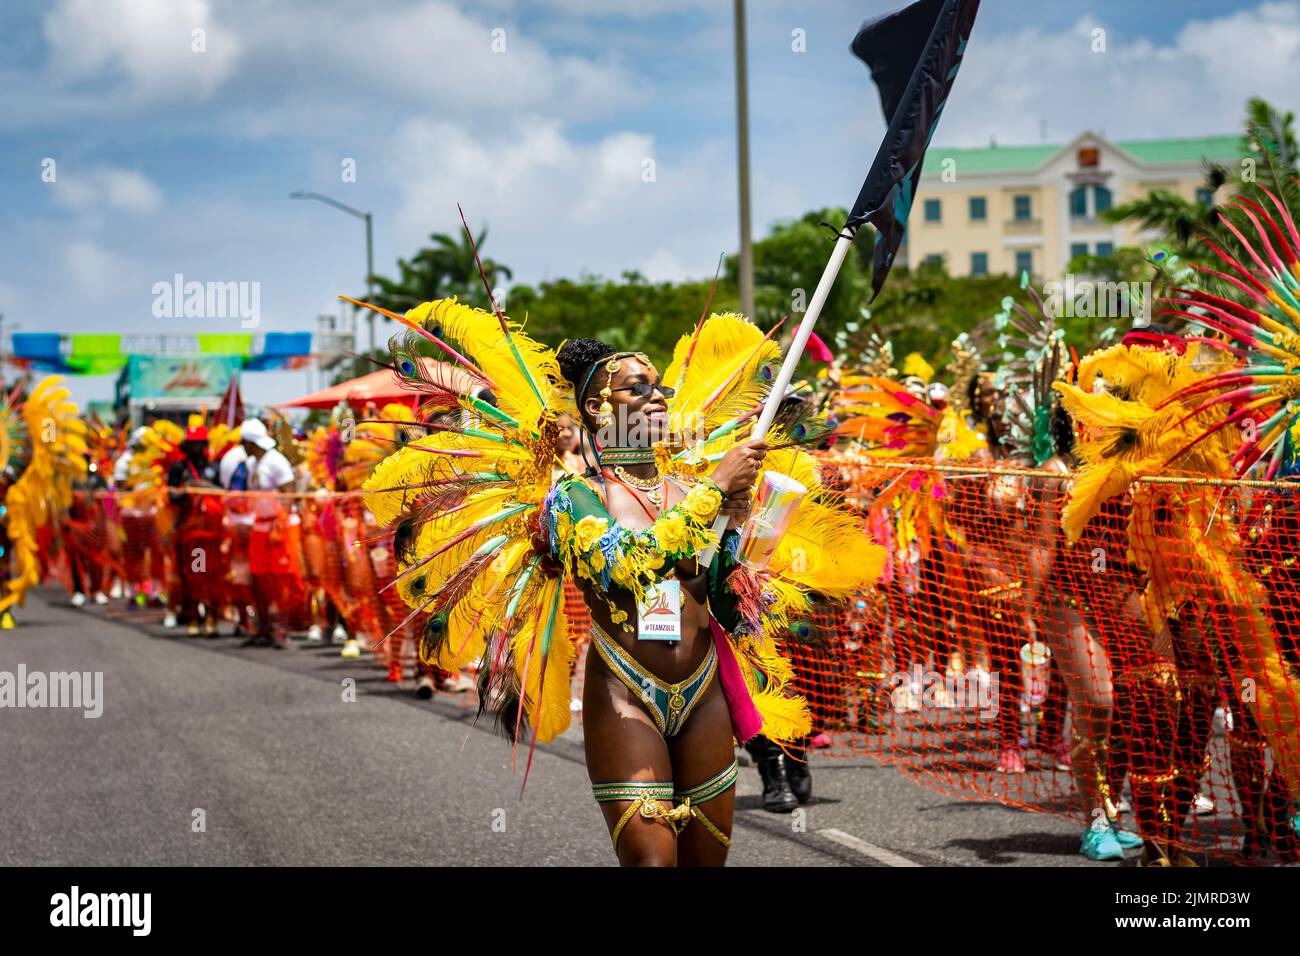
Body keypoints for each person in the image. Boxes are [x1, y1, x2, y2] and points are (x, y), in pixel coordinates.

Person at [361, 299, 882, 867]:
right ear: (596, 407)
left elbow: (724, 598)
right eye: (638, 389)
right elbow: (629, 564)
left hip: (703, 690)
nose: (657, 397)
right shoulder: (574, 497)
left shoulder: (690, 486)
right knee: (653, 864)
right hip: (627, 692)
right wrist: (716, 492)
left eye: (658, 386)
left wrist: (744, 532)